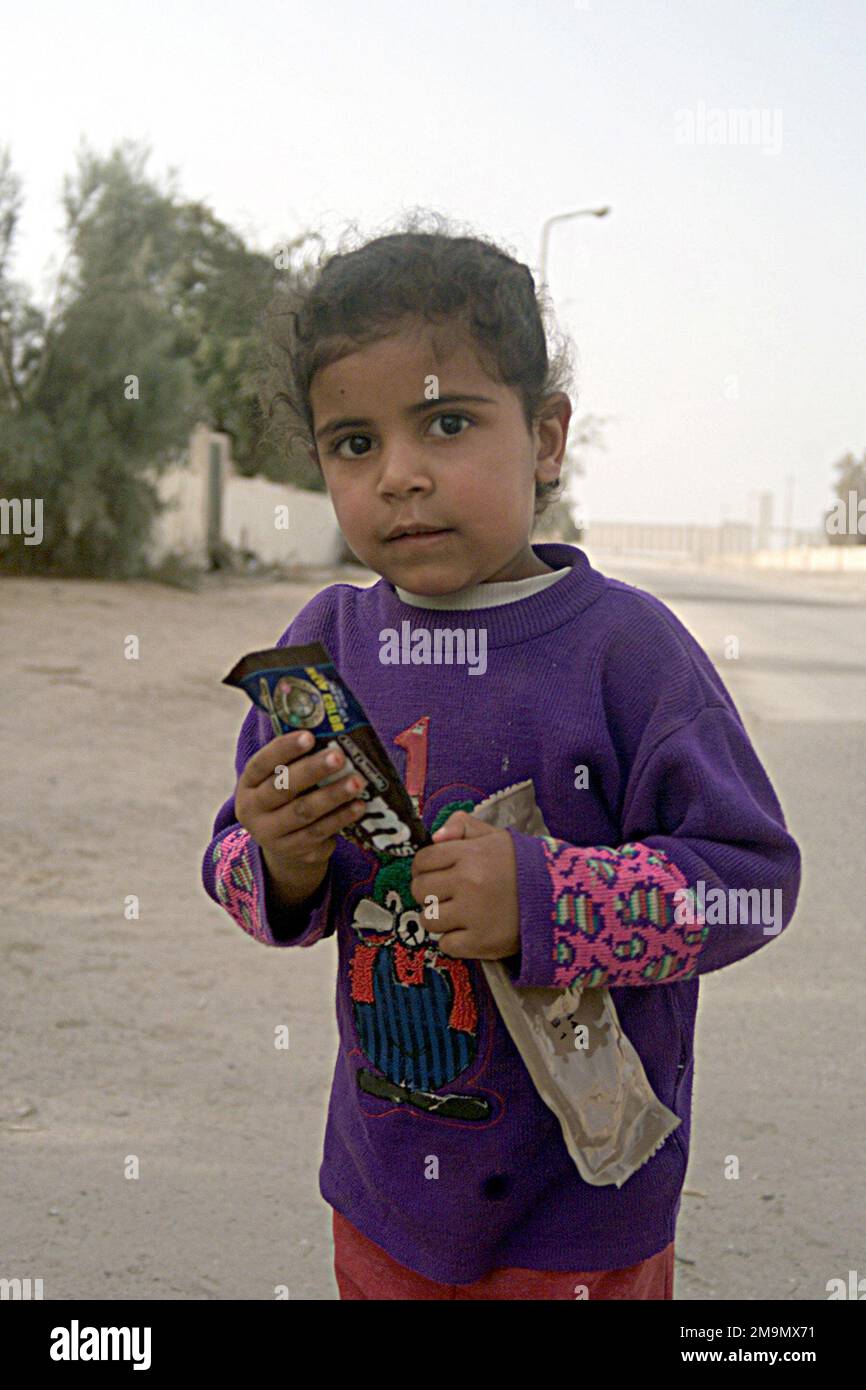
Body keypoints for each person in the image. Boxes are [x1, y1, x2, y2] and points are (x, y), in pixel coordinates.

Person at [201, 215, 801, 1300]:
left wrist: (545, 900)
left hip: (579, 1207)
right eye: (354, 442)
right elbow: (236, 877)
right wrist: (277, 855)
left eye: (444, 422)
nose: (398, 476)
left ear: (546, 437)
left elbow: (750, 885)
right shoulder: (324, 650)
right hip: (383, 1197)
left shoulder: (627, 651)